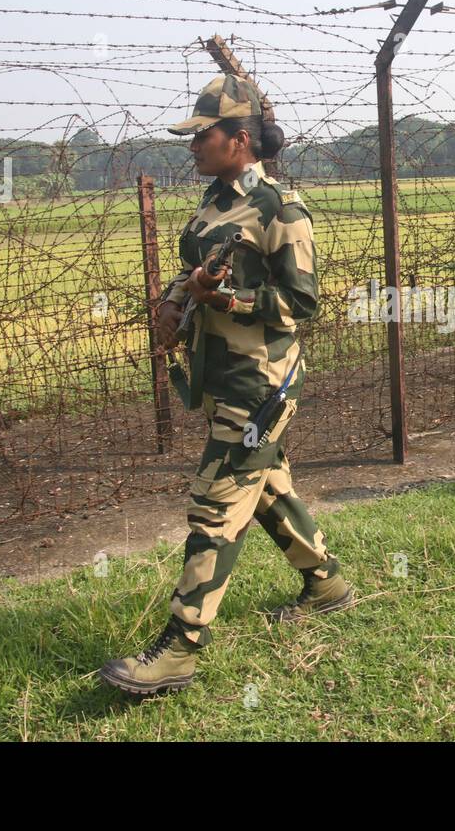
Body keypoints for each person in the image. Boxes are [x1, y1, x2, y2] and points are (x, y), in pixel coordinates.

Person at [98, 74, 352, 696]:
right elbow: (193, 276)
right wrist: (171, 301)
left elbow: (300, 301)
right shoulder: (214, 203)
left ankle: (180, 646)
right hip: (221, 377)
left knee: (214, 505)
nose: (192, 146)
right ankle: (327, 585)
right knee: (263, 487)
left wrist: (229, 299)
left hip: (262, 383)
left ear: (239, 140)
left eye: (202, 135)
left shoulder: (281, 209)